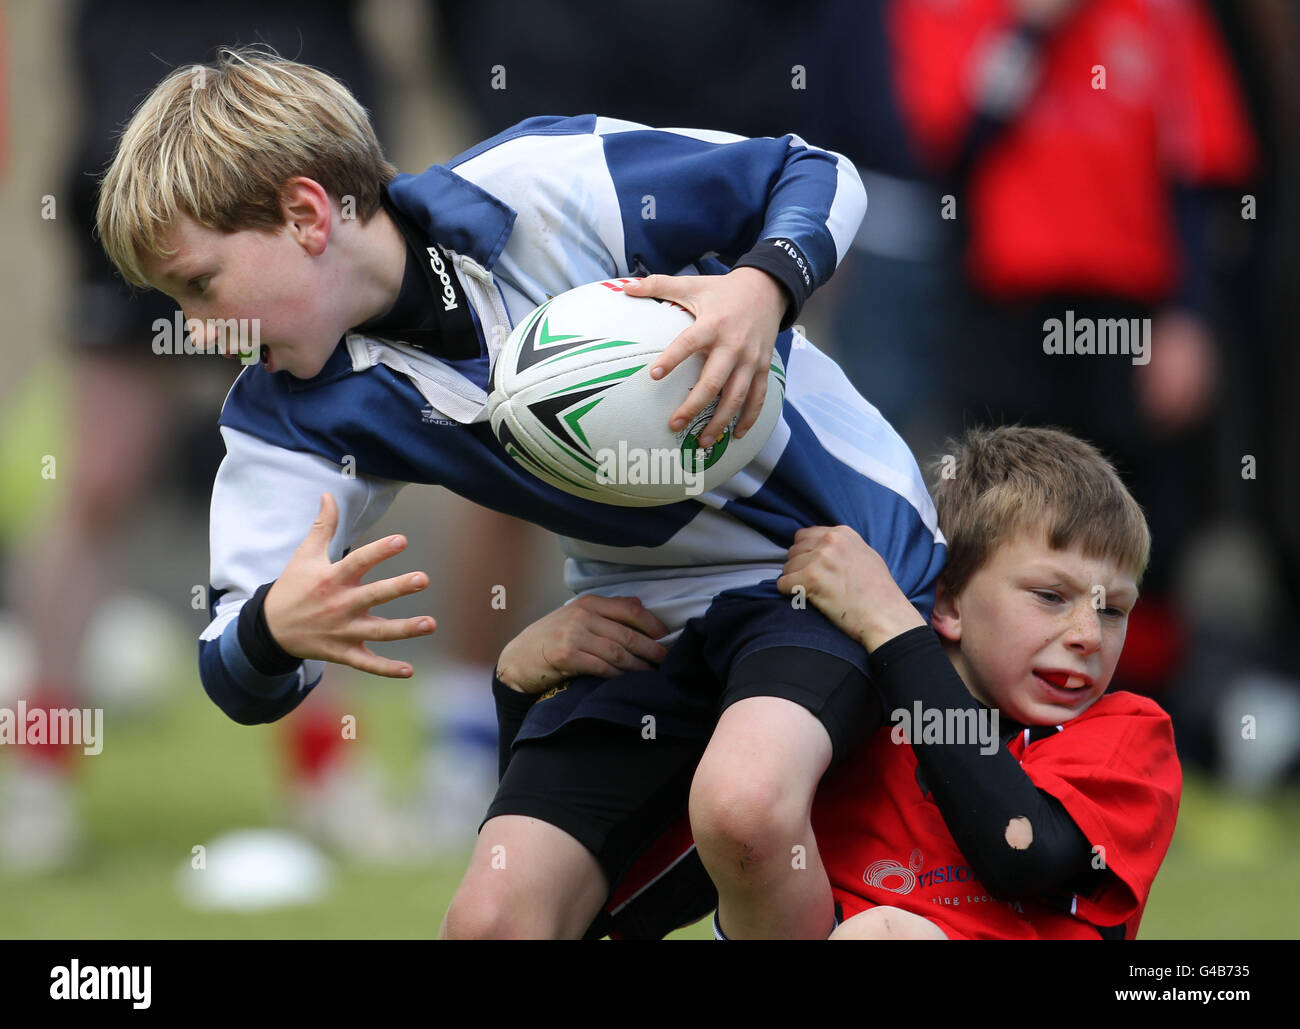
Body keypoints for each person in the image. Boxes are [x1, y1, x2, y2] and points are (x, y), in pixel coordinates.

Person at [94, 47, 946, 938]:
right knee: (492, 920)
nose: (195, 330)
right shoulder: (289, 413)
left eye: (199, 287)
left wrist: (760, 286)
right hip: (646, 618)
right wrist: (277, 628)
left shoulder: (533, 186)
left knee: (746, 811)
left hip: (838, 562)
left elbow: (814, 172)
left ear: (308, 215)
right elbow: (234, 654)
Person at [786, 426, 1181, 939]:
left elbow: (1021, 851)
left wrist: (891, 625)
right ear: (949, 603)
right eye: (1050, 595)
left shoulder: (1131, 737)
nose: (1088, 636)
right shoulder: (857, 699)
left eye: (1112, 609)